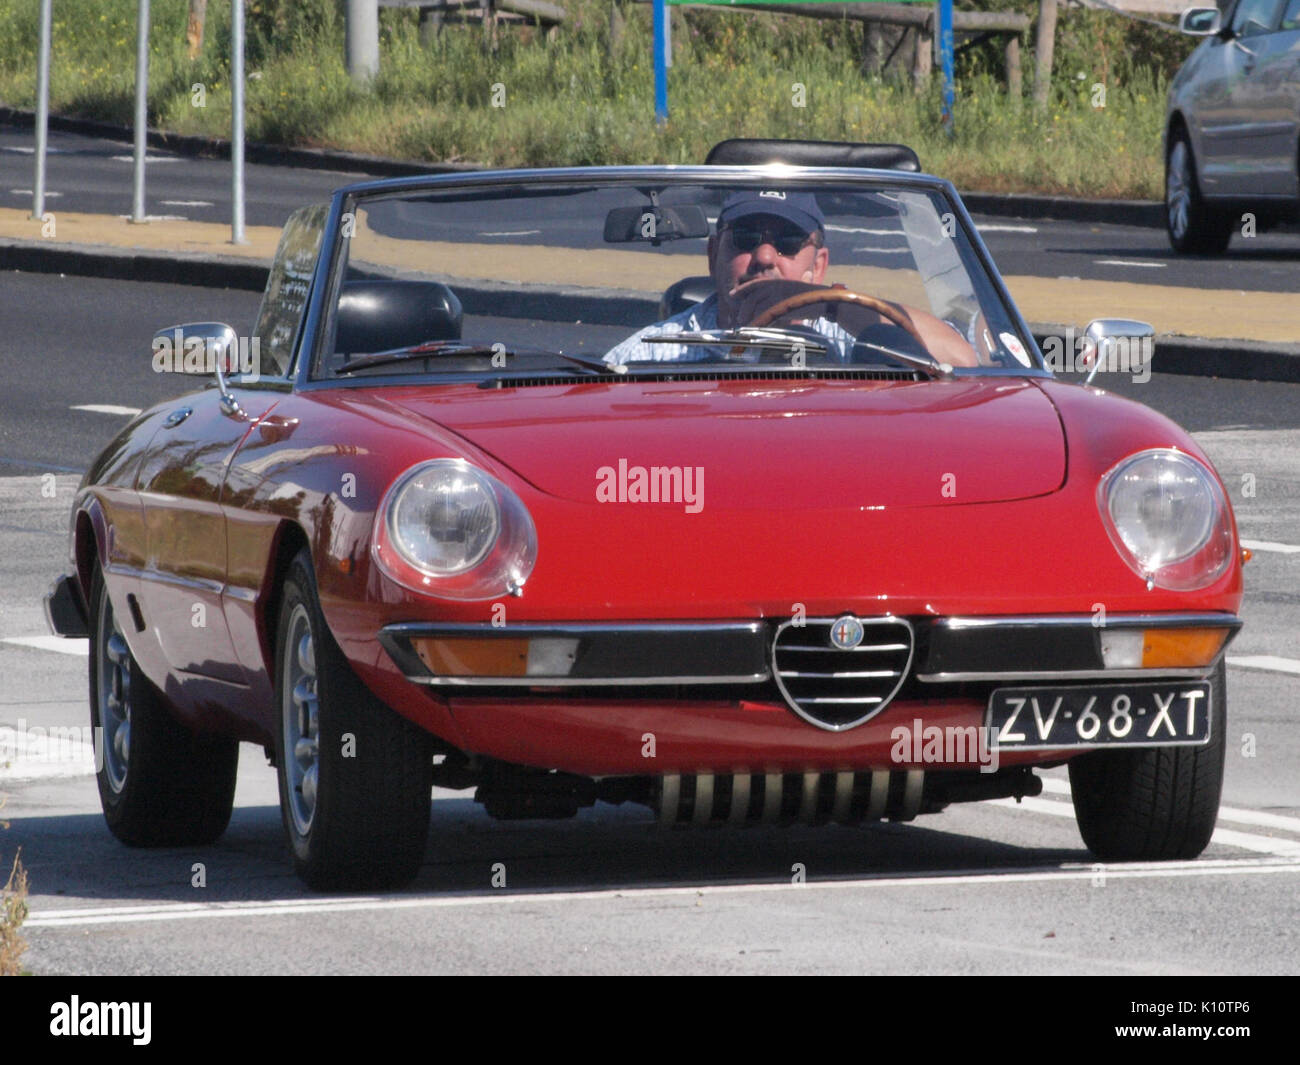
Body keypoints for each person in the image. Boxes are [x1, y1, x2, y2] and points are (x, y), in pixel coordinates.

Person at [604, 189, 979, 368]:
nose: (765, 257)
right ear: (713, 254)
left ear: (818, 266)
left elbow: (964, 362)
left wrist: (842, 309)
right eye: (747, 239)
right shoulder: (655, 351)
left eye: (786, 243)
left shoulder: (850, 335)